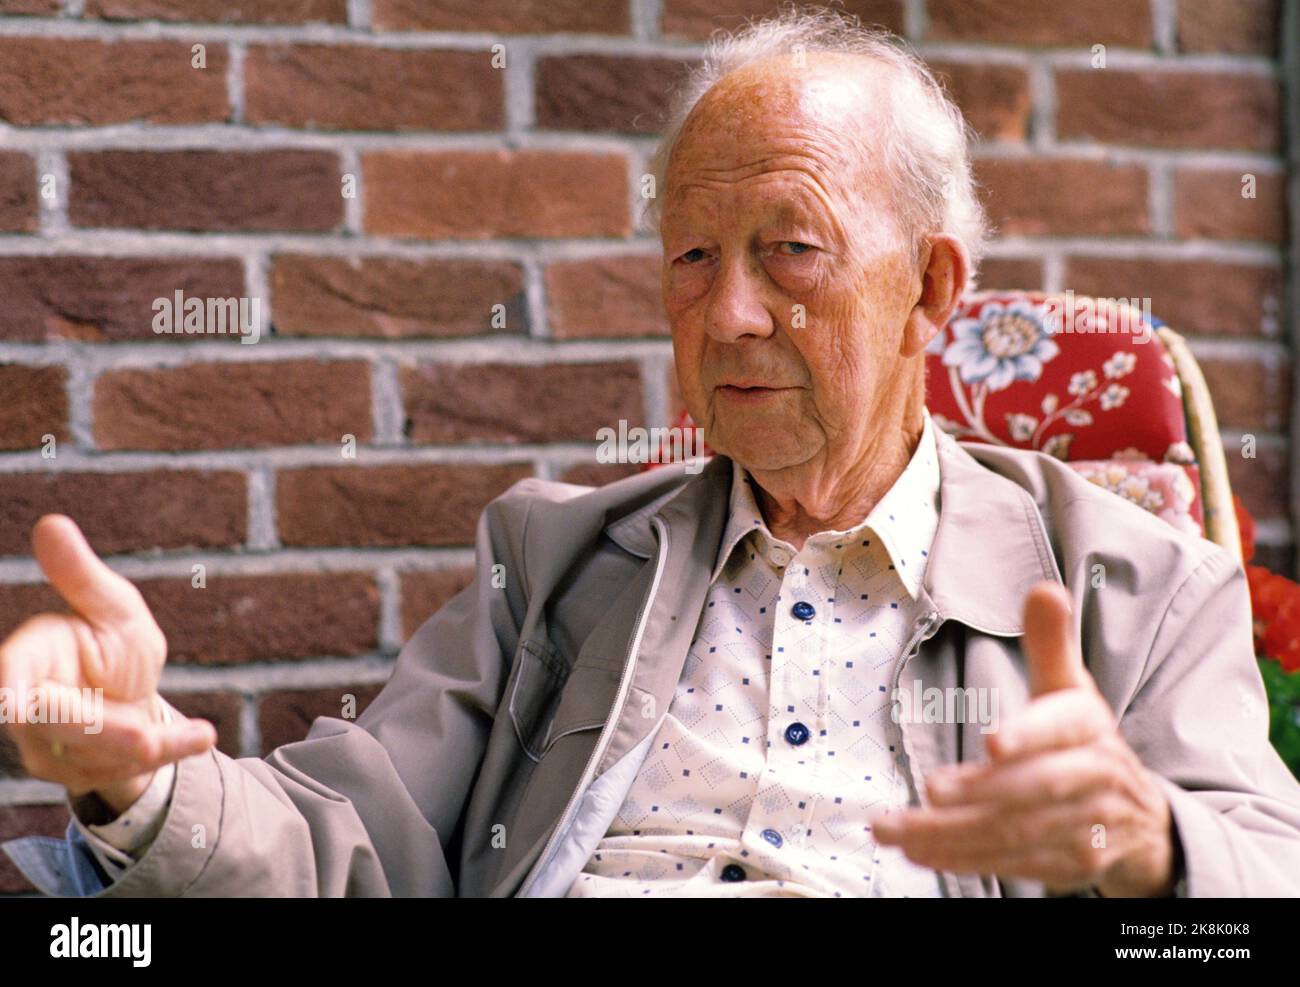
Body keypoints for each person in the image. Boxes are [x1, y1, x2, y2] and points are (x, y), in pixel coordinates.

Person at [4, 7, 1299, 898]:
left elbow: (1263, 861)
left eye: (791, 248)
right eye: (692, 256)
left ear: (930, 287)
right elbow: (354, 840)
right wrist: (139, 785)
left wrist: (1148, 844)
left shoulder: (1142, 586)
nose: (728, 312)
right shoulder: (557, 559)